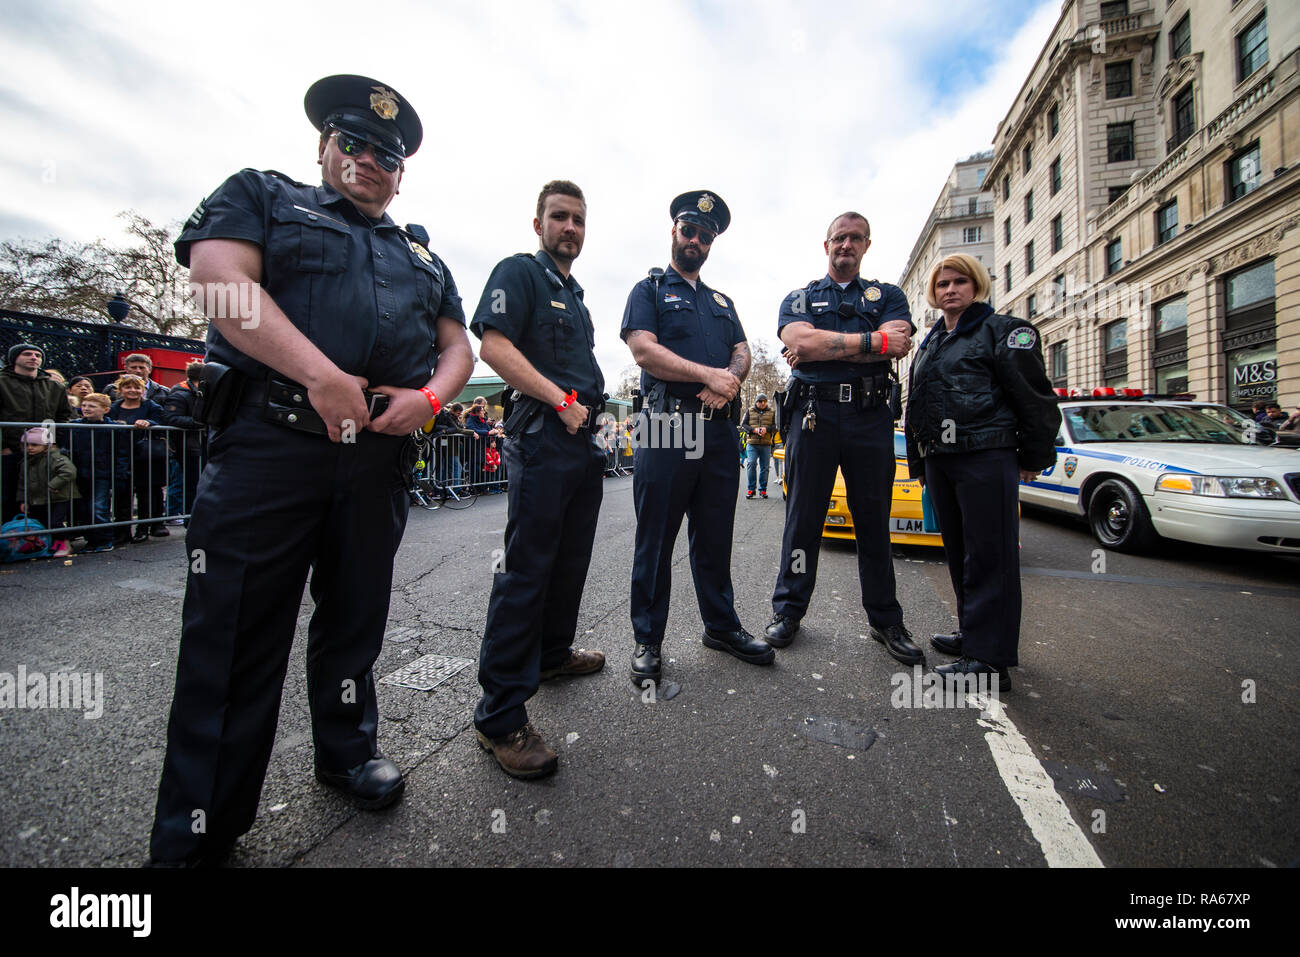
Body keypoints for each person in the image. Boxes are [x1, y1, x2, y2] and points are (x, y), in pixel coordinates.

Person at [148, 74, 473, 866]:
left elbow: (458, 346)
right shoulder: (265, 195)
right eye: (353, 143)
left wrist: (430, 398)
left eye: (387, 155)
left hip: (376, 460)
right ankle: (202, 830)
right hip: (272, 445)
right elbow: (221, 281)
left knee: (355, 621)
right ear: (324, 145)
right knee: (232, 638)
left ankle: (347, 751)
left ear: (403, 173)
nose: (369, 161)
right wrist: (322, 375)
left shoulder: (422, 254)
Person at [468, 180, 606, 779]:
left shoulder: (574, 295)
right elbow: (493, 348)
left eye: (577, 218)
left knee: (569, 559)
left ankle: (551, 655)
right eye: (559, 217)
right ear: (538, 223)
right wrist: (559, 399)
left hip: (582, 438)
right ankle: (499, 717)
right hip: (544, 430)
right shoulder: (519, 273)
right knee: (525, 568)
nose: (569, 227)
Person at [622, 189, 772, 685]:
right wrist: (709, 375)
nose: (697, 240)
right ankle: (648, 639)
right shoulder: (649, 290)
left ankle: (721, 626)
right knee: (656, 540)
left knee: (714, 537)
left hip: (720, 431)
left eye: (706, 236)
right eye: (690, 230)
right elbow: (644, 351)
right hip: (667, 425)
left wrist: (729, 378)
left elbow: (743, 351)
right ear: (674, 231)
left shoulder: (721, 301)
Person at [763, 212, 923, 666]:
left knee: (874, 519)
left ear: (867, 245)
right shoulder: (800, 297)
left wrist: (822, 344)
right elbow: (803, 343)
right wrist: (870, 341)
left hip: (870, 415)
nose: (846, 244)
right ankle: (788, 611)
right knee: (803, 518)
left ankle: (886, 619)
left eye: (855, 238)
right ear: (826, 244)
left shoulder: (888, 295)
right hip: (812, 414)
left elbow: (898, 340)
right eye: (839, 238)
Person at [905, 254, 1060, 690]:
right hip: (941, 460)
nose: (950, 290)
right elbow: (919, 402)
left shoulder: (1006, 332)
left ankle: (989, 662)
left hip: (985, 456)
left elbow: (1035, 399)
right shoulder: (932, 341)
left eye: (959, 282)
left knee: (990, 557)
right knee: (960, 553)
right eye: (942, 284)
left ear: (977, 285)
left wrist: (1032, 456)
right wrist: (921, 461)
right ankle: (974, 633)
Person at [2, 343, 72, 520]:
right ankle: (11, 537)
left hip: (44, 452)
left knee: (41, 496)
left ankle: (37, 537)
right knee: (9, 494)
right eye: (27, 354)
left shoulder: (54, 387)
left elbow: (64, 416)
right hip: (11, 450)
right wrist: (3, 447)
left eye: (38, 355)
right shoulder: (2, 382)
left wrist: (54, 442)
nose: (34, 357)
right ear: (15, 358)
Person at [65, 392, 129, 552]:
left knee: (99, 507)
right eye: (84, 405)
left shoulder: (114, 428)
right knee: (84, 508)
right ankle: (91, 539)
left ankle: (104, 539)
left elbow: (122, 453)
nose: (86, 409)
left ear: (105, 409)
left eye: (92, 406)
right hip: (81, 472)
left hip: (102, 473)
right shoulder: (75, 426)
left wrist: (119, 474)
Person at [109, 374, 169, 543]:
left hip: (146, 456)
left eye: (137, 387)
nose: (133, 391)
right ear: (121, 390)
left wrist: (149, 422)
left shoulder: (152, 406)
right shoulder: (114, 408)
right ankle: (122, 530)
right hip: (121, 455)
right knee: (122, 494)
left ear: (143, 390)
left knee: (146, 493)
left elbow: (161, 421)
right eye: (128, 387)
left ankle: (143, 528)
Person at [15, 426, 79, 557]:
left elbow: (69, 471)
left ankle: (65, 544)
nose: (30, 448)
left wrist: (52, 485)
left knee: (55, 522)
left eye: (35, 444)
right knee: (42, 522)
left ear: (47, 445)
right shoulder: (25, 462)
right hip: (39, 498)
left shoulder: (55, 457)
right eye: (27, 445)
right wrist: (24, 500)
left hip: (59, 496)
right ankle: (51, 543)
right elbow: (23, 483)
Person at [160, 361, 206, 521]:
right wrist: (201, 423)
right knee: (191, 485)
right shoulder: (180, 394)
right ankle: (191, 519)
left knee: (198, 484)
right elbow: (170, 418)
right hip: (188, 447)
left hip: (200, 445)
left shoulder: (198, 392)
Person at [742, 393, 776, 499]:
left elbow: (776, 426)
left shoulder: (772, 412)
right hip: (752, 443)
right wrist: (754, 430)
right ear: (756, 402)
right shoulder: (749, 411)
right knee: (751, 463)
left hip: (766, 444)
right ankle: (751, 489)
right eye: (760, 401)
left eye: (764, 401)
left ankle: (763, 490)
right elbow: (743, 425)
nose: (763, 403)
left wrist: (767, 429)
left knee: (765, 467)